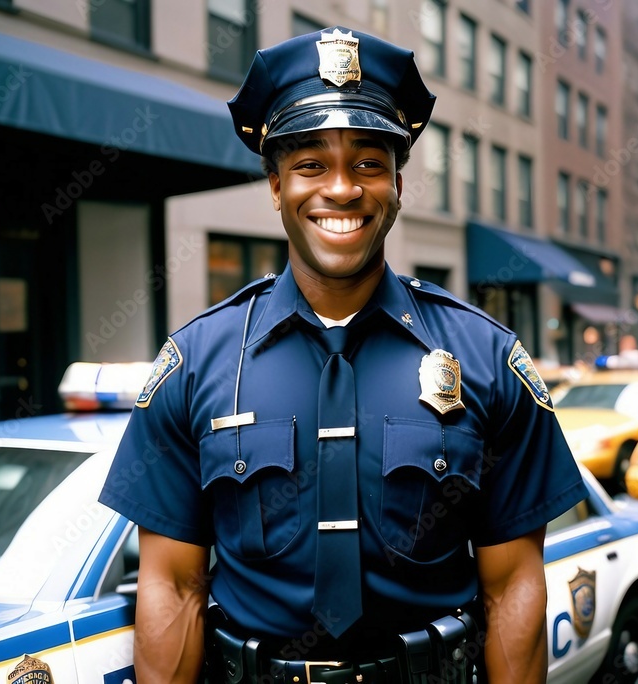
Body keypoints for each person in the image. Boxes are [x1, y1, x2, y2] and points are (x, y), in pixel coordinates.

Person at [99, 26, 587, 684]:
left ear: (396, 184)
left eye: (367, 163)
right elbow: (173, 588)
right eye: (309, 166)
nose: (342, 189)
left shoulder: (487, 358)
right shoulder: (198, 363)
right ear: (275, 186)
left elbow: (514, 587)